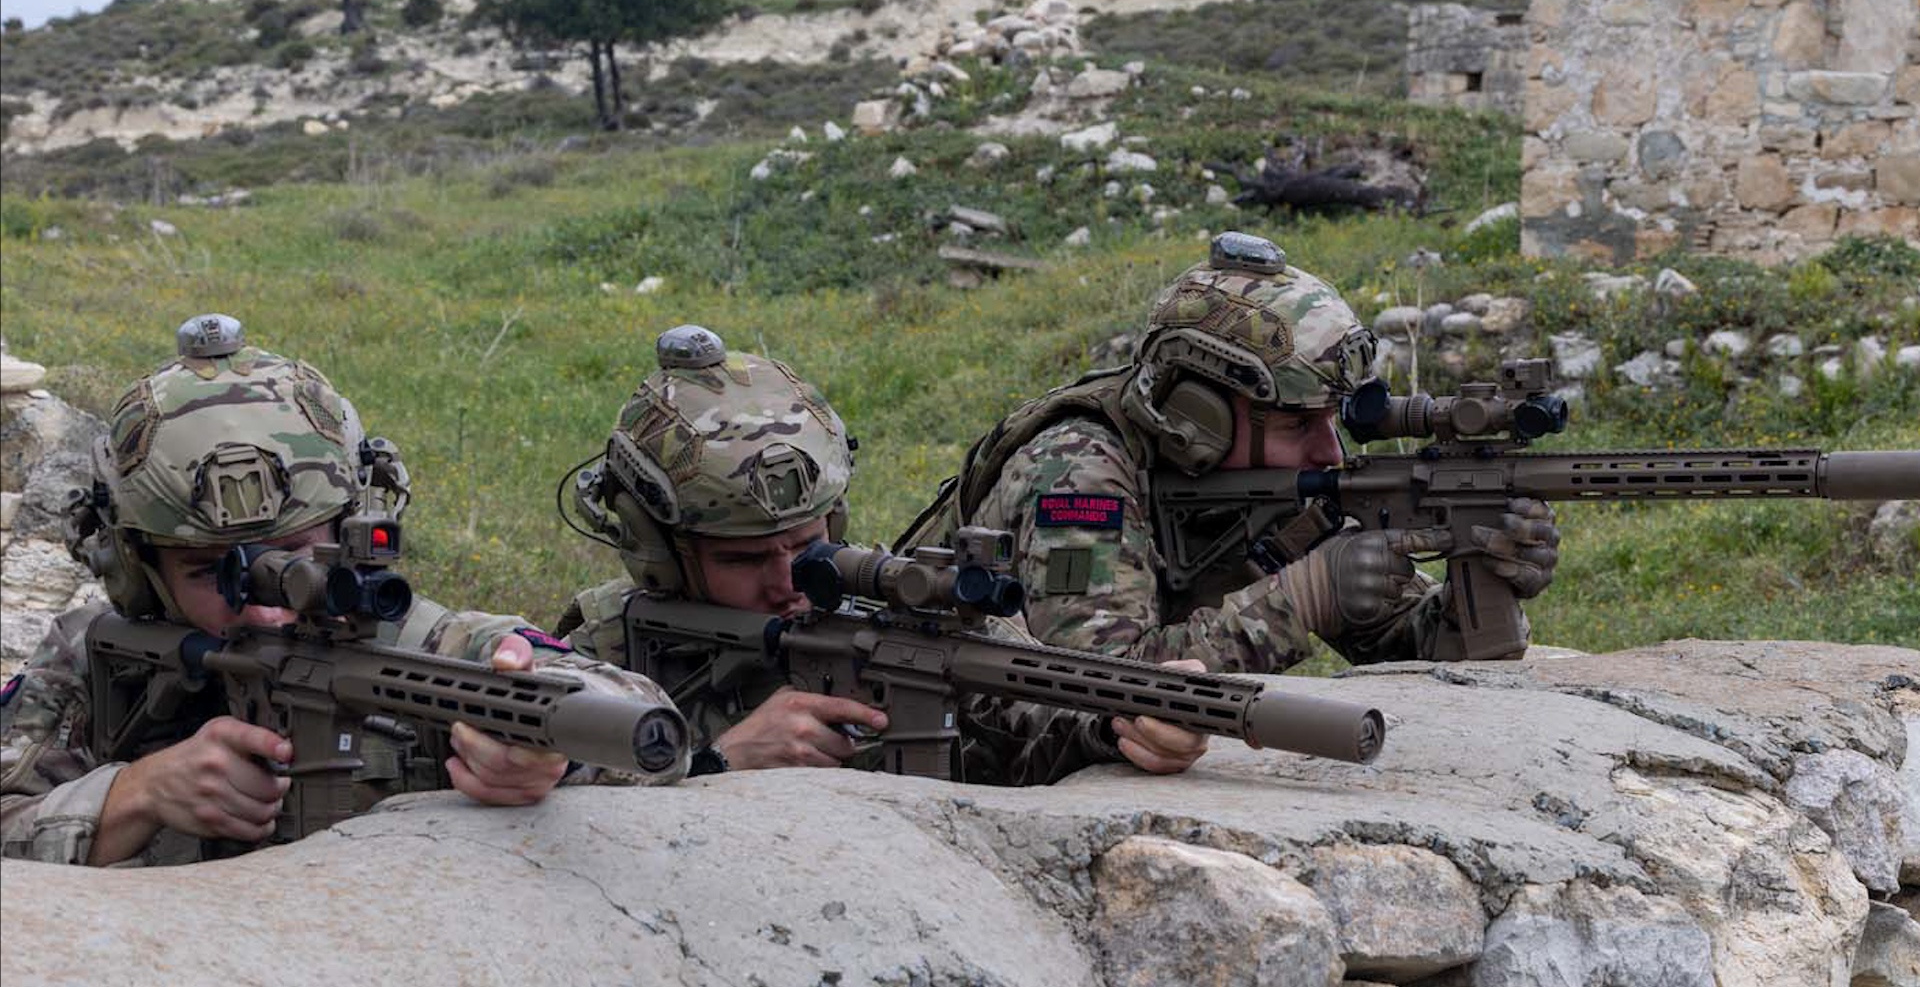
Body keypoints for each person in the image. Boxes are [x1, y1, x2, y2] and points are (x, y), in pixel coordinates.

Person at [0, 315, 679, 867]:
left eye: (299, 558)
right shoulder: (89, 660)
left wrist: (544, 760)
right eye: (213, 572)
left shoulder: (427, 646)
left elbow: (633, 716)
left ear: (353, 527)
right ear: (132, 566)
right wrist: (134, 795)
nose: (268, 602)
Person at [555, 325, 1209, 783]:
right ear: (658, 555)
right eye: (745, 561)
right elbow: (539, 793)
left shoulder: (889, 619)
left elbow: (1031, 718)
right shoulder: (607, 651)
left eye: (809, 547)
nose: (786, 582)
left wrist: (1127, 721)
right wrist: (719, 763)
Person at [898, 231, 1561, 672]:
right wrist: (1300, 600)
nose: (1328, 450)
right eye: (1298, 424)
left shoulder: (1274, 483)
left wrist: (1482, 581)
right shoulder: (1077, 472)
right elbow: (1093, 690)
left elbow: (1410, 640)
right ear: (1198, 416)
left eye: (1332, 420)